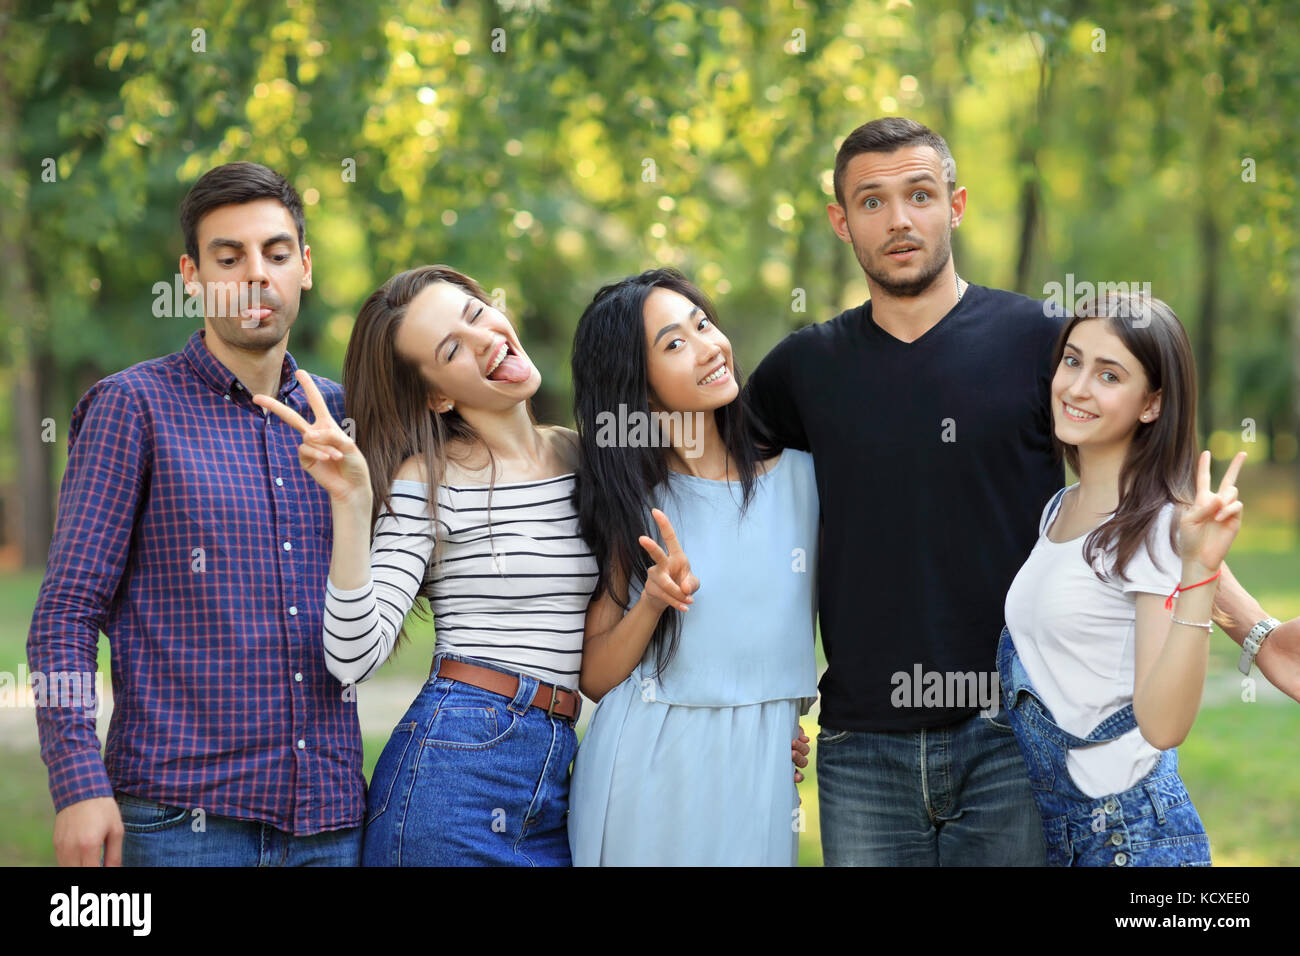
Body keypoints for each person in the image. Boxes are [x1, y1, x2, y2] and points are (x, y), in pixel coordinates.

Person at [742, 116, 1296, 866]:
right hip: (860, 741)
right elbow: (717, 493)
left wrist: (1256, 631)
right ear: (842, 221)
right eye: (872, 202)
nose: (899, 218)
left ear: (956, 204)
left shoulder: (1043, 344)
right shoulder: (802, 369)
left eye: (920, 194)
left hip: (1010, 735)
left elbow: (1142, 509)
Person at [28, 161, 365, 866]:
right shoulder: (133, 407)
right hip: (182, 823)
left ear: (304, 266)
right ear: (192, 276)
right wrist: (77, 782)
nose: (255, 275)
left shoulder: (341, 418)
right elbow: (65, 614)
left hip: (330, 822)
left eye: (275, 254)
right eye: (228, 256)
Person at [256, 265, 598, 866]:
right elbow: (351, 656)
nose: (485, 339)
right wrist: (353, 503)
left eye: (475, 315)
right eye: (452, 349)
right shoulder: (430, 478)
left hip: (557, 774)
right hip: (455, 774)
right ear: (438, 395)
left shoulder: (583, 456)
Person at [566, 268, 819, 865]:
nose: (708, 346)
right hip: (649, 768)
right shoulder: (634, 500)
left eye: (702, 324)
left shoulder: (804, 479)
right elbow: (596, 676)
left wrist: (774, 717)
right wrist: (653, 600)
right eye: (674, 344)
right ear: (638, 387)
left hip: (765, 771)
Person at [999, 293, 1244, 866]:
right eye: (1073, 361)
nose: (1078, 387)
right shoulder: (1058, 509)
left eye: (1109, 374)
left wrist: (1200, 573)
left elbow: (1163, 724)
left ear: (1152, 404)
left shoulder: (1158, 525)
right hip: (1068, 832)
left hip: (1132, 839)